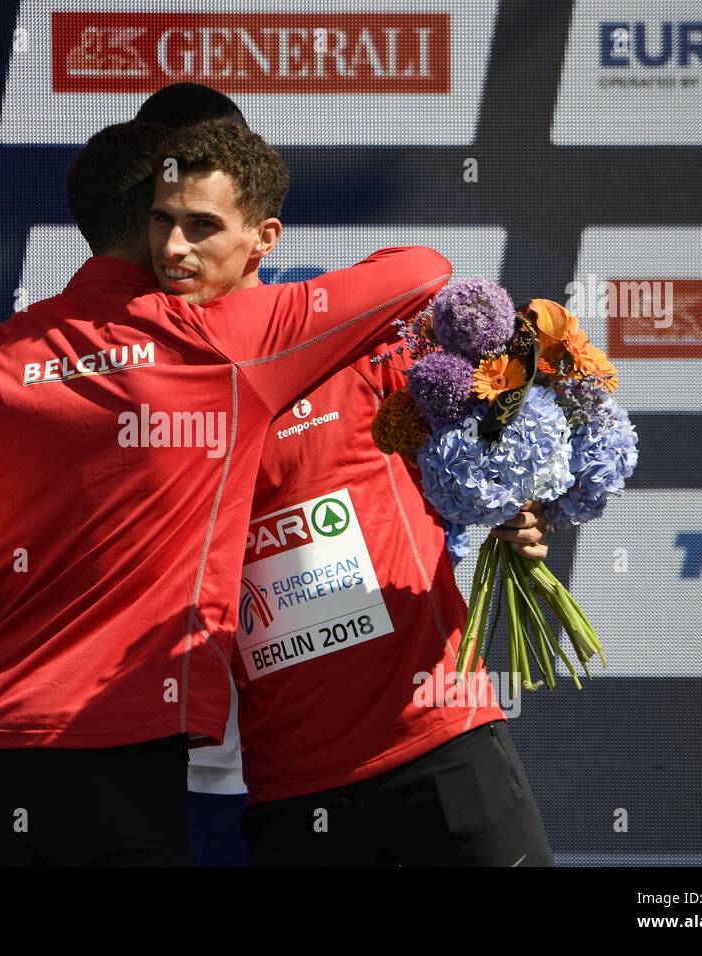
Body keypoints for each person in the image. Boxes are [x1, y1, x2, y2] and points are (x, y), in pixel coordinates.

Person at [0, 115, 453, 865]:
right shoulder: (227, 340)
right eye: (169, 222)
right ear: (150, 226)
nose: (179, 247)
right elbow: (423, 272)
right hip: (125, 754)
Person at [140, 90, 555, 866]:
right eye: (162, 220)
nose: (176, 248)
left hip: (440, 747)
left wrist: (514, 508)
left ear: (262, 239)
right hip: (294, 792)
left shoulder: (355, 348)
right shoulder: (140, 406)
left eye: (202, 225)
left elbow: (477, 444)